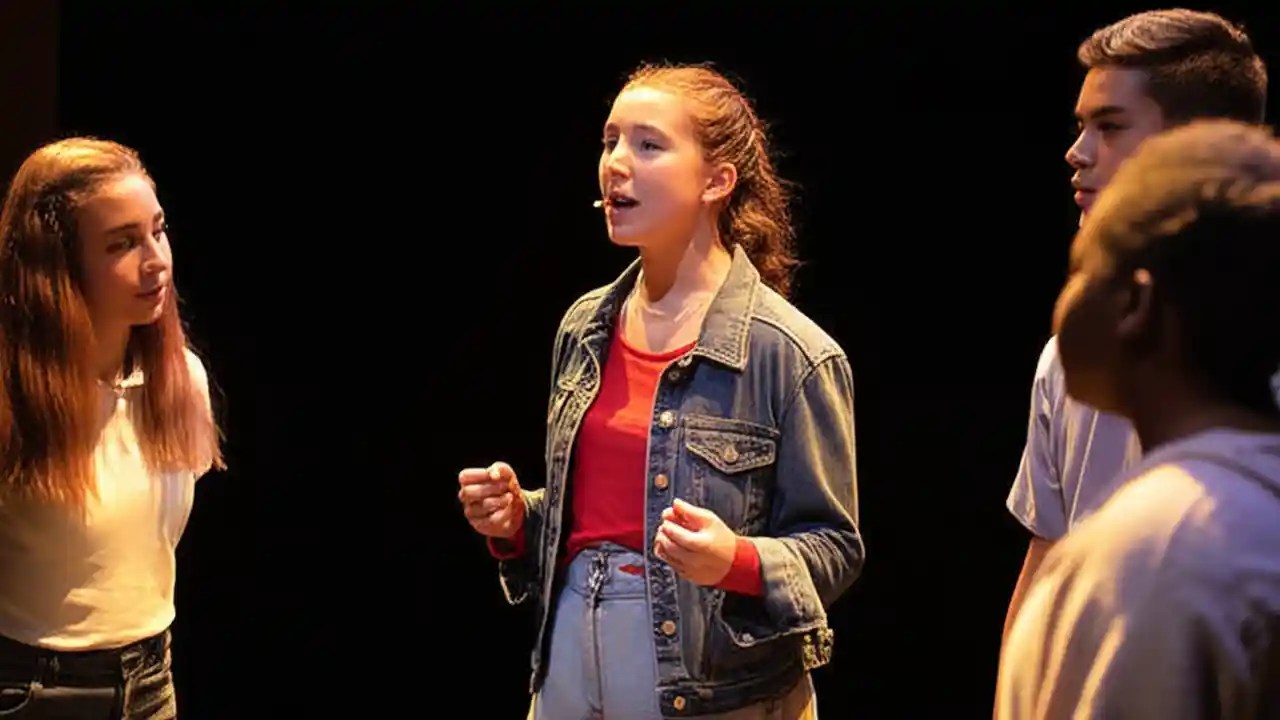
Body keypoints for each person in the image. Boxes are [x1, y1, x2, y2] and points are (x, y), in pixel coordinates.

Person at [456, 62, 862, 719]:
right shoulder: (586, 325)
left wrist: (734, 559)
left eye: (648, 145)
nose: (616, 163)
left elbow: (833, 547)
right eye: (610, 141)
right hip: (566, 657)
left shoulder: (789, 354)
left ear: (717, 180)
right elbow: (594, 520)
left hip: (706, 683)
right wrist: (519, 520)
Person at [1001, 7, 1270, 650]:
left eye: (1110, 127)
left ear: (1197, 144)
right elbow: (1048, 556)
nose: (1077, 152)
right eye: (1081, 126)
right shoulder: (1067, 360)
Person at [0, 137, 223, 719]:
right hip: (32, 692)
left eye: (159, 230)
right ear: (58, 264)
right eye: (122, 244)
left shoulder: (179, 381)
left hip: (152, 685)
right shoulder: (12, 399)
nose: (157, 260)